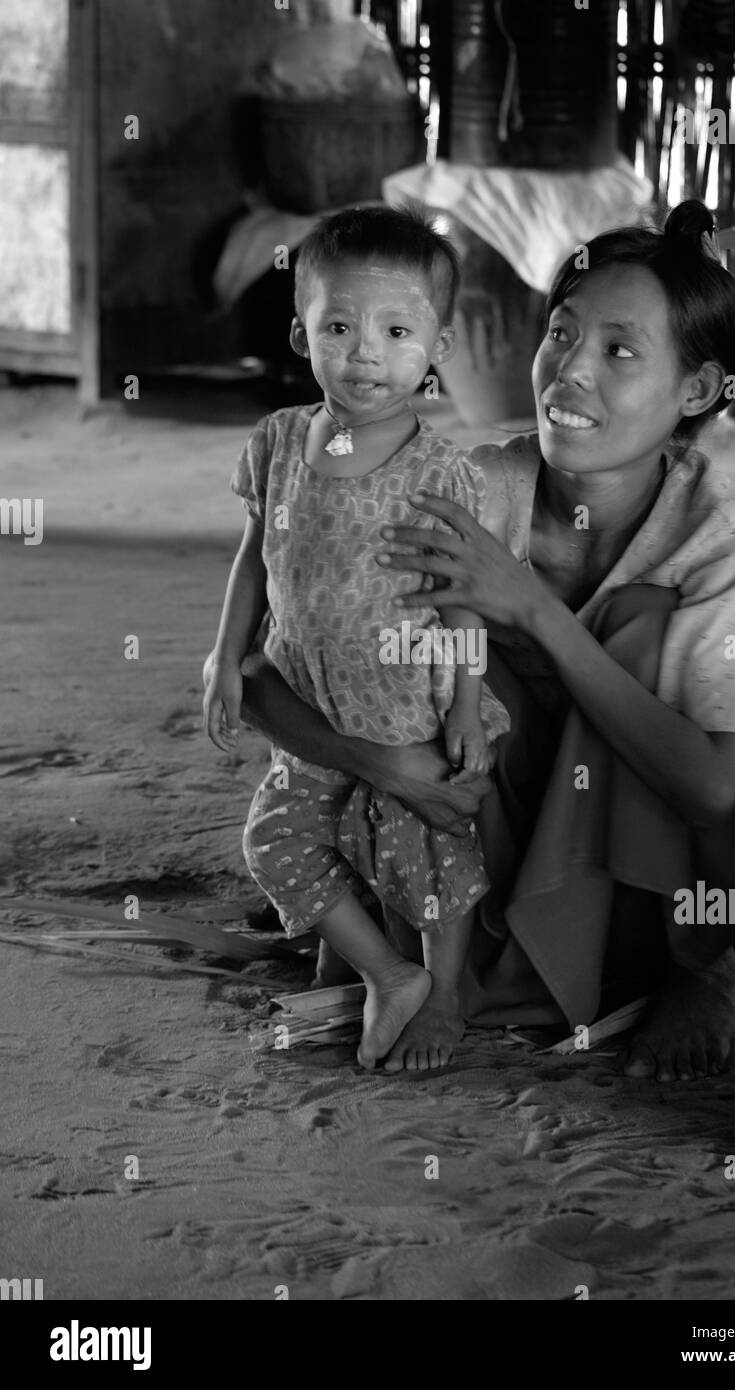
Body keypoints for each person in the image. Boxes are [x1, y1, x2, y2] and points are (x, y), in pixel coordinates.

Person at [210, 199, 735, 1080]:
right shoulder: (460, 489)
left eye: (620, 351)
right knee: (438, 678)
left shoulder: (718, 531)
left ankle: (703, 965)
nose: (570, 371)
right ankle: (458, 968)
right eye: (561, 333)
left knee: (633, 637)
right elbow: (269, 675)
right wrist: (388, 765)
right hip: (494, 836)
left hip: (652, 859)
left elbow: (720, 789)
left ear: (697, 390)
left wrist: (532, 610)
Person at [203, 205, 510, 1071]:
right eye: (339, 327)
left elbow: (460, 601)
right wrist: (224, 656)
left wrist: (464, 705)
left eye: (397, 331)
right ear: (301, 336)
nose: (366, 353)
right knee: (278, 842)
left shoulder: (440, 470)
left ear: (439, 346)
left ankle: (443, 996)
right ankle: (386, 974)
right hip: (307, 704)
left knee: (426, 858)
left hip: (407, 707)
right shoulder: (276, 443)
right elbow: (253, 560)